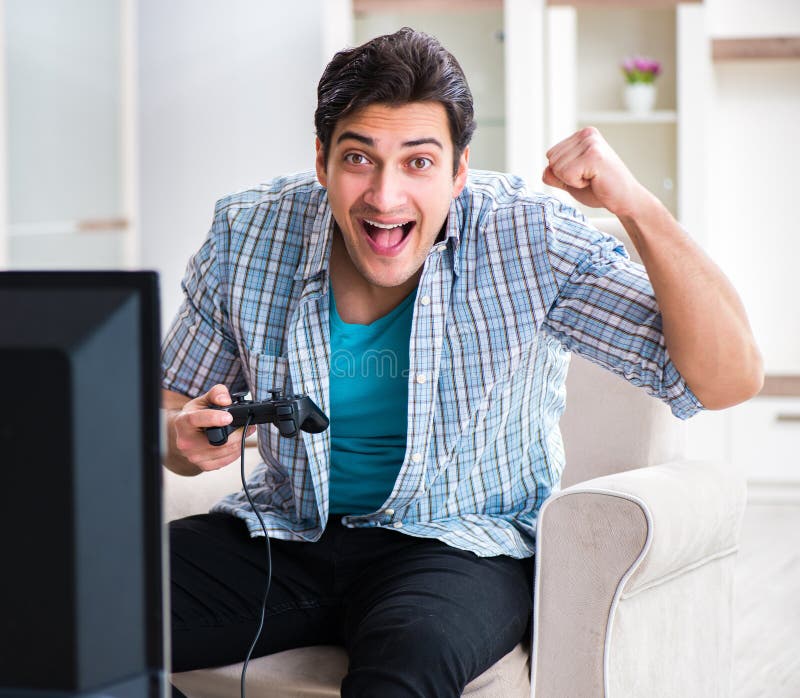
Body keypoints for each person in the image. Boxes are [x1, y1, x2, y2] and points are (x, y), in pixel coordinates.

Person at [161, 27, 762, 697]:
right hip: (287, 533)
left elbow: (728, 378)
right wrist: (183, 437)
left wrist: (636, 206)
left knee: (403, 672)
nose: (385, 197)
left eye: (418, 162)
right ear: (322, 160)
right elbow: (173, 414)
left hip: (459, 548)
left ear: (459, 170)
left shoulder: (527, 237)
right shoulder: (249, 233)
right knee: (59, 613)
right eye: (359, 158)